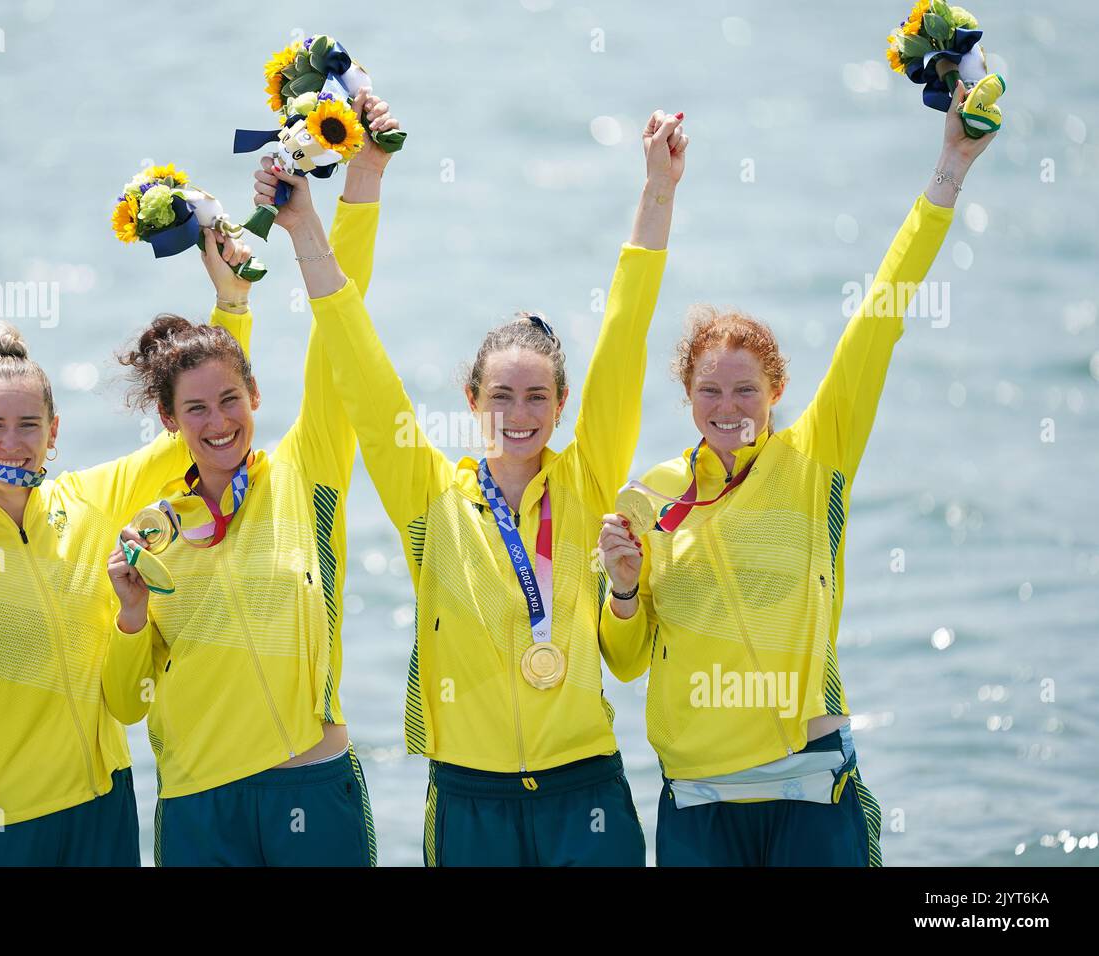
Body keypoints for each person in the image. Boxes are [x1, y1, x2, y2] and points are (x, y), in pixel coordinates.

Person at [265, 109, 685, 865]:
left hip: (583, 793)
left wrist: (658, 188)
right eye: (501, 397)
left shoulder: (588, 480)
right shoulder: (430, 497)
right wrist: (306, 235)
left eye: (535, 399)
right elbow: (361, 369)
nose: (519, 416)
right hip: (467, 799)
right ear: (471, 399)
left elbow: (626, 331)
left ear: (562, 406)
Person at [597, 81, 996, 866]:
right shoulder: (653, 495)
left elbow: (883, 310)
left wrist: (951, 166)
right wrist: (620, 587)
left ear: (778, 391)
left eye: (746, 388)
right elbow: (627, 658)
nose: (728, 406)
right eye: (709, 390)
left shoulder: (816, 459)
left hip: (812, 788)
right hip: (698, 797)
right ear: (687, 396)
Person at [0, 233, 258, 865]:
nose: (12, 444)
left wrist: (231, 302)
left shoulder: (88, 500)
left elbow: (197, 430)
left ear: (53, 431)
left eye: (28, 425)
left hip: (104, 803)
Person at [103, 92, 399, 866]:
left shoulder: (309, 468)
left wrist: (360, 179)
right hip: (201, 804)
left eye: (231, 399)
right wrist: (131, 612)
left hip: (314, 784)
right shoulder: (150, 525)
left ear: (255, 397)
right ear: (170, 421)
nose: (218, 422)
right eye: (195, 408)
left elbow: (346, 319)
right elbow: (121, 700)